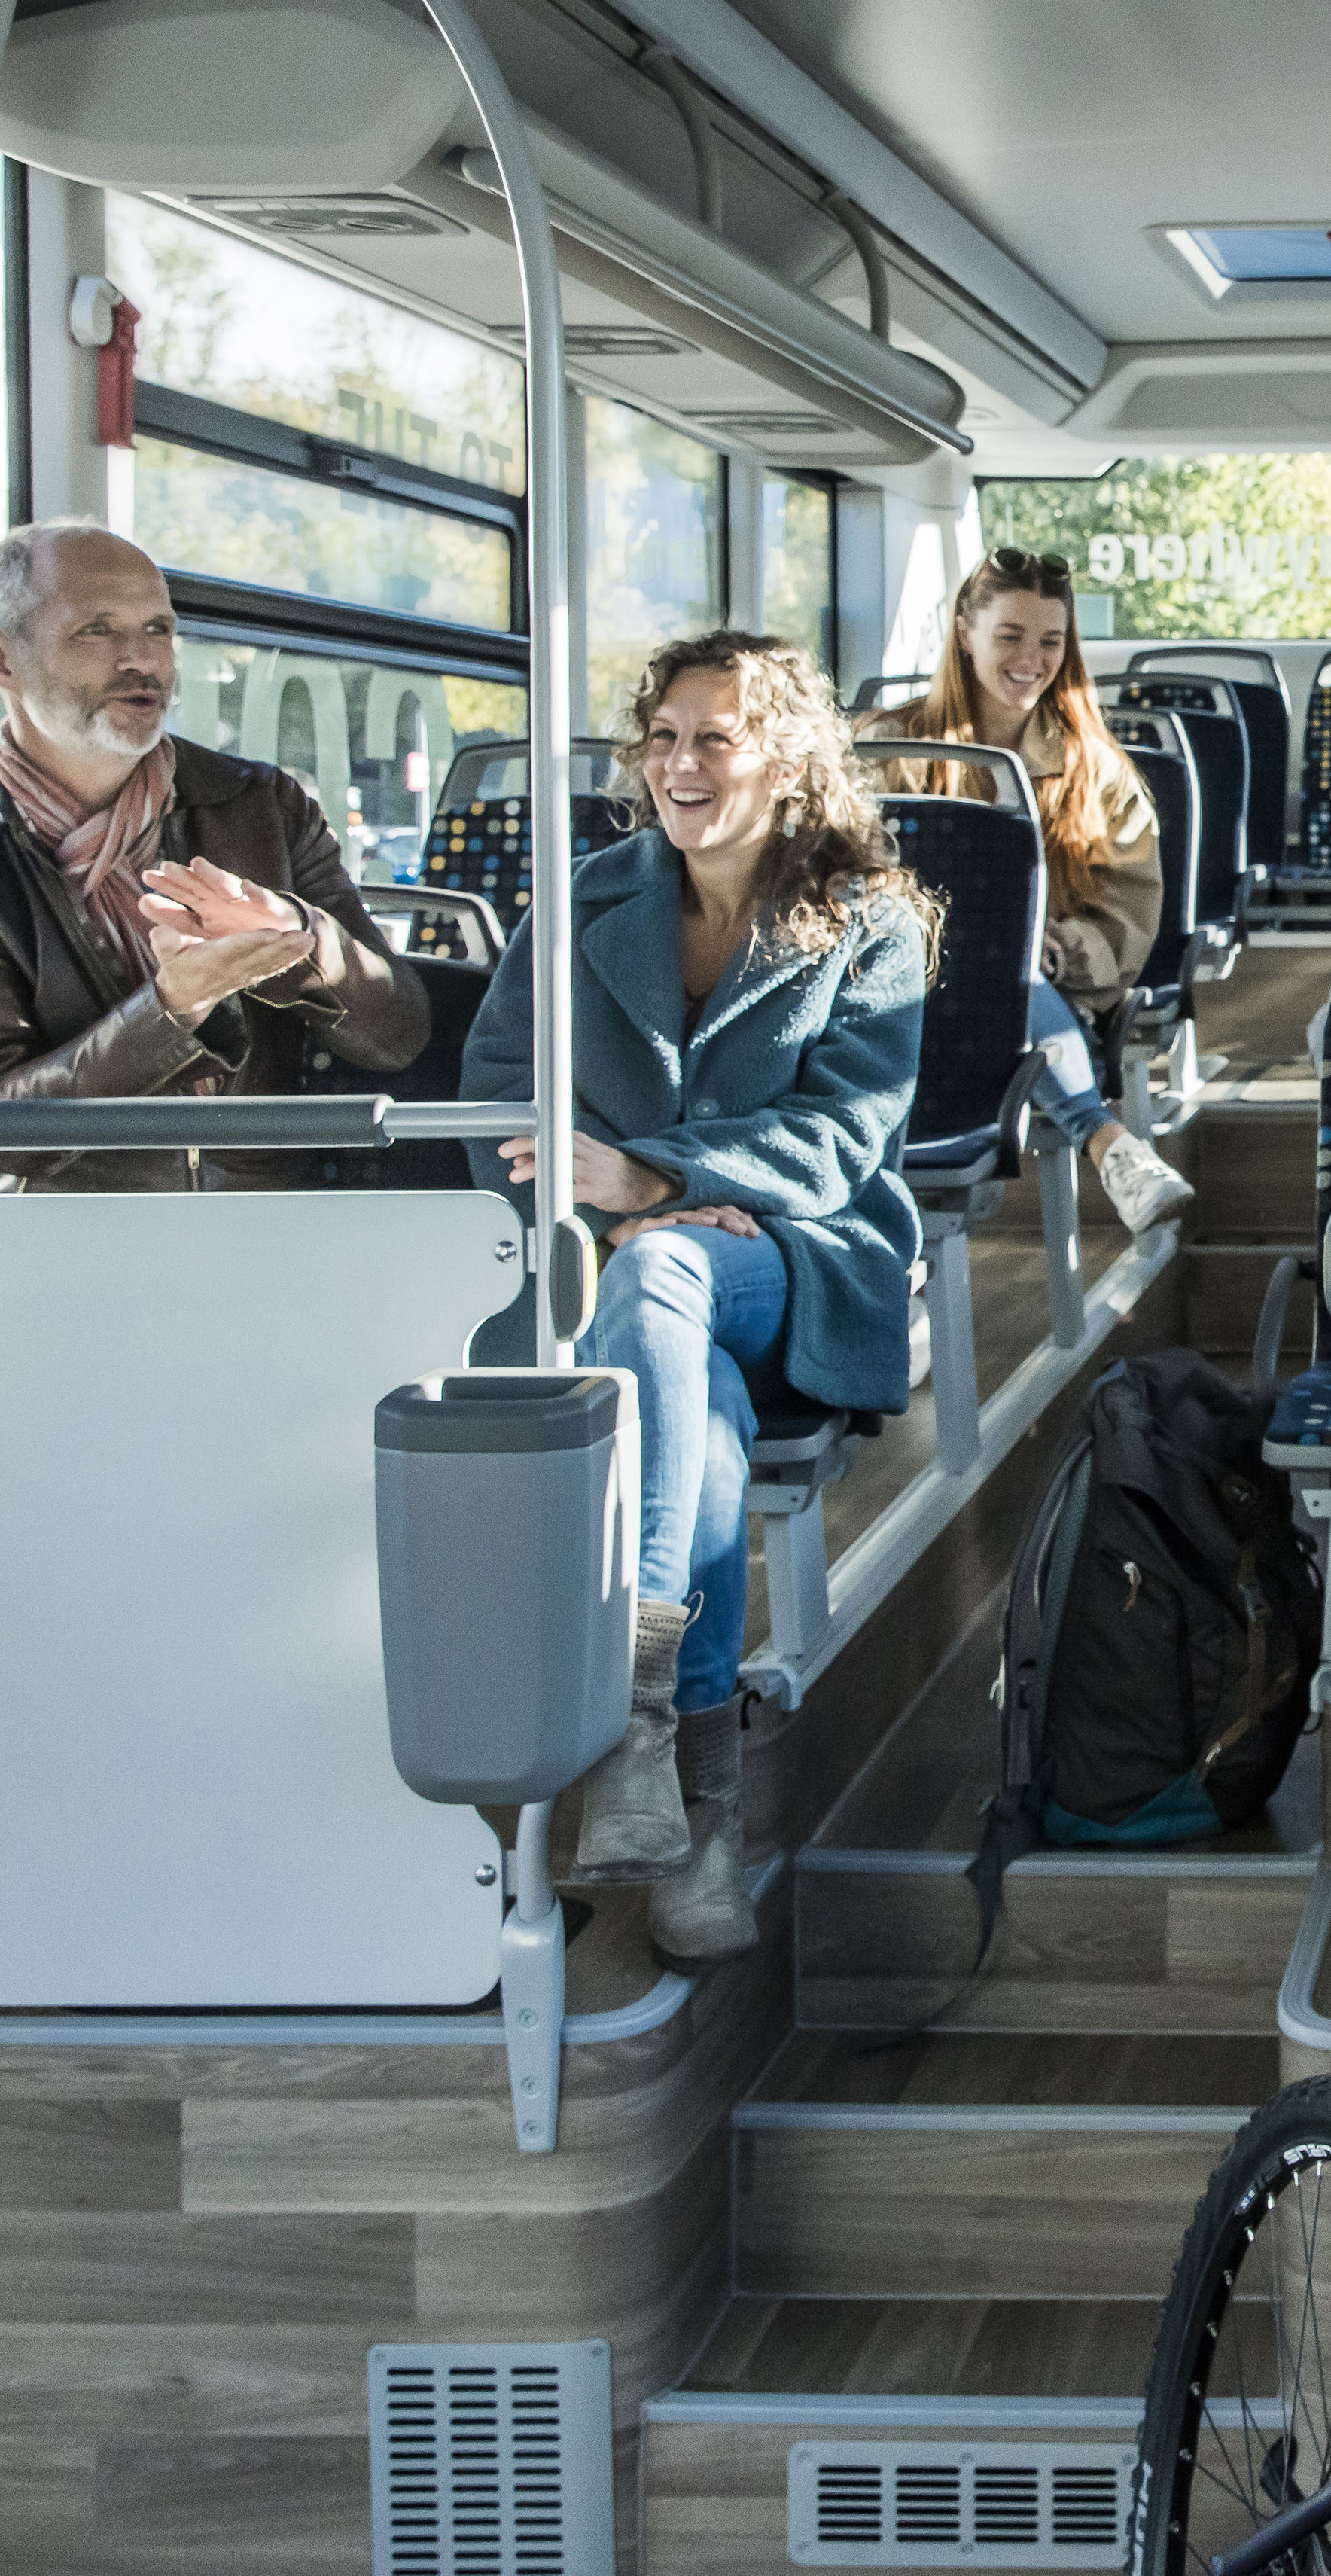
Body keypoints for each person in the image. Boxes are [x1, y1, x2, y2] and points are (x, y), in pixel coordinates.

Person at [464, 629, 934, 1966]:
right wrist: (601, 1203)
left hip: (798, 1257)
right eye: (663, 735)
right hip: (620, 1282)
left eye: (713, 735)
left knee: (671, 1269)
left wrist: (659, 1179)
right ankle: (696, 1806)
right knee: (699, 1409)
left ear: (783, 758)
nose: (680, 761)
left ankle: (629, 1714)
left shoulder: (868, 919)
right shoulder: (583, 900)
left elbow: (847, 1133)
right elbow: (501, 1089)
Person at [0, 518, 423, 1187]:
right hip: (56, 1231)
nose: (143, 660)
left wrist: (303, 941)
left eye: (158, 629)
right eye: (97, 630)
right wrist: (172, 1010)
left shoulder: (260, 807)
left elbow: (398, 1038)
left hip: (259, 1211)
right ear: (0, 658)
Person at [856, 548, 1196, 1234]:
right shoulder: (881, 748)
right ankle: (1110, 1144)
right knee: (975, 945)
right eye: (1010, 636)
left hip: (1039, 1002)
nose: (1031, 659)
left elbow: (1127, 916)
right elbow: (831, 881)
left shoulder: (1094, 770)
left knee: (1005, 962)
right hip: (889, 993)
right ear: (964, 633)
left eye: (1050, 641)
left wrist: (1057, 948)